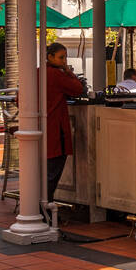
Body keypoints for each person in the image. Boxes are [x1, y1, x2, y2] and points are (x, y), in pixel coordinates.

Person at [46, 42, 87, 202]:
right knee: (51, 175)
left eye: (65, 58)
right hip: (56, 131)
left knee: (44, 174)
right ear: (50, 57)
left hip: (39, 130)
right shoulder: (57, 75)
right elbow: (78, 89)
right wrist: (69, 72)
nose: (64, 61)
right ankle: (44, 209)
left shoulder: (36, 73)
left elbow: (20, 99)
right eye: (61, 57)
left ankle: (40, 209)